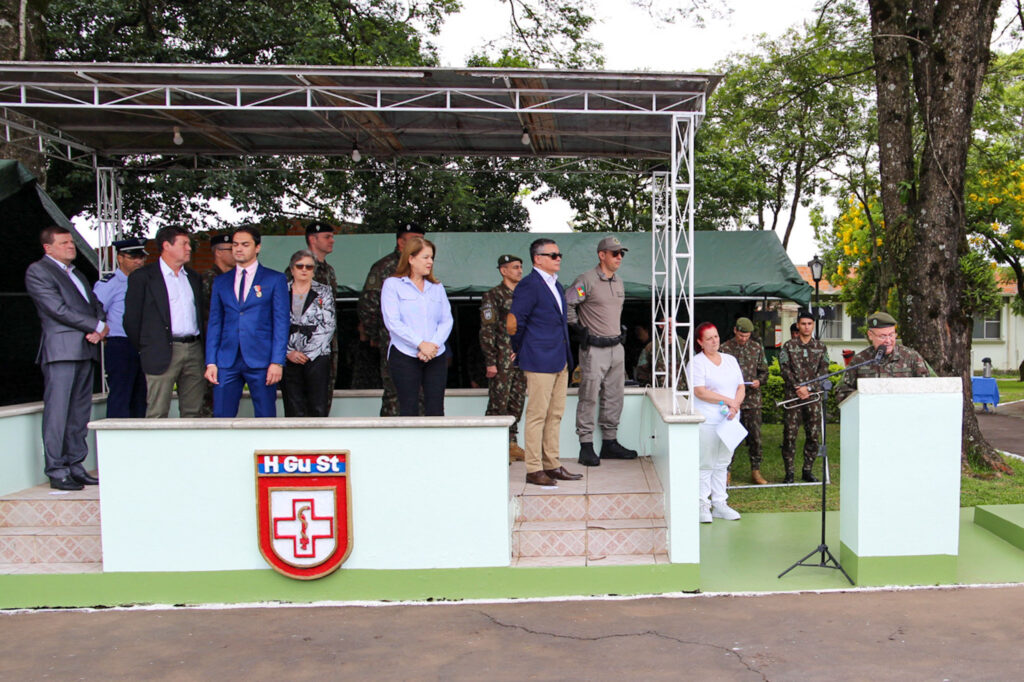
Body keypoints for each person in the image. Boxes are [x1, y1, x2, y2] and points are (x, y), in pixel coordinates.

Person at [25, 225, 108, 490]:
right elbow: (57, 309)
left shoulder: (77, 273)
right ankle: (57, 470)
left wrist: (100, 326)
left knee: (79, 412)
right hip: (61, 351)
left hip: (85, 348)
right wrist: (95, 326)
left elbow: (95, 305)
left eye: (71, 242)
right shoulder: (39, 271)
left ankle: (75, 465)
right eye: (64, 243)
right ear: (47, 248)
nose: (71, 246)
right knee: (58, 413)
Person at [507, 238, 582, 487]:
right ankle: (533, 468)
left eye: (559, 255)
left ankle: (552, 464)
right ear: (537, 259)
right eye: (553, 255)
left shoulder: (556, 285)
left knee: (555, 414)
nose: (558, 258)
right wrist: (519, 349)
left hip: (559, 358)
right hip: (539, 358)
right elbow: (515, 322)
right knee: (537, 415)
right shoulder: (529, 285)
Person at [565, 235, 637, 466]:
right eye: (615, 253)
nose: (619, 257)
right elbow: (568, 303)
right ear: (602, 255)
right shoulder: (586, 280)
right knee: (589, 396)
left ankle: (609, 442)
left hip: (616, 347)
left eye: (621, 253)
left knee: (615, 396)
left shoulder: (619, 282)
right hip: (594, 349)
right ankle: (586, 445)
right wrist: (577, 328)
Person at [204, 226, 289, 418]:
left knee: (265, 416)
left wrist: (277, 361)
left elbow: (281, 323)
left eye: (245, 244)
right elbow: (215, 323)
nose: (239, 249)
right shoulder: (221, 281)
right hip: (227, 359)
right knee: (222, 416)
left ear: (257, 247)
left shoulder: (274, 279)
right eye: (235, 245)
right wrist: (211, 361)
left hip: (261, 359)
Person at [123, 225, 206, 418]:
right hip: (160, 349)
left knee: (193, 411)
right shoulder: (143, 277)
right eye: (184, 244)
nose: (189, 248)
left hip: (194, 348)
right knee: (157, 411)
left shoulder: (193, 277)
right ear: (166, 246)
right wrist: (148, 346)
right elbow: (131, 320)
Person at [380, 236, 453, 416]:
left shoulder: (437, 287)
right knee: (408, 408)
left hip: (435, 354)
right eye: (425, 257)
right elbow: (392, 322)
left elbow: (446, 320)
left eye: (432, 257)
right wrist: (420, 344)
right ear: (411, 259)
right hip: (404, 353)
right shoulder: (393, 285)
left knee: (436, 408)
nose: (430, 262)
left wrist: (433, 345)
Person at [358, 224, 425, 416]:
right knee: (395, 390)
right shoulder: (384, 267)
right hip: (393, 339)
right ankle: (392, 432)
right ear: (401, 242)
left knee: (421, 391)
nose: (419, 244)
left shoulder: (424, 268)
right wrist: (376, 335)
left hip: (422, 341)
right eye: (414, 240)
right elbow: (368, 304)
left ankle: (419, 432)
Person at [686, 322, 744, 523]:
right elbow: (700, 392)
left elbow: (740, 387)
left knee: (723, 462)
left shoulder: (730, 360)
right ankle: (702, 504)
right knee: (706, 462)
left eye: (716, 336)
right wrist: (728, 401)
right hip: (708, 419)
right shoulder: (697, 363)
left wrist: (735, 405)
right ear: (700, 342)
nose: (714, 341)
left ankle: (720, 503)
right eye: (709, 338)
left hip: (730, 419)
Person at [93, 237, 148, 418]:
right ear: (120, 258)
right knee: (121, 395)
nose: (138, 261)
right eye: (133, 257)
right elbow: (95, 310)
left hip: (144, 344)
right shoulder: (110, 283)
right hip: (121, 344)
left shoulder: (146, 280)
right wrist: (102, 333)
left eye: (141, 257)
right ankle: (116, 433)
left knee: (141, 396)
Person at [480, 254, 527, 461]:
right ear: (503, 271)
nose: (520, 271)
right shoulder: (493, 295)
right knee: (498, 403)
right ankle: (492, 447)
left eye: (521, 267)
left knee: (517, 402)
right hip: (502, 358)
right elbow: (487, 330)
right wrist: (490, 361)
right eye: (515, 267)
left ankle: (512, 443)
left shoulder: (525, 295)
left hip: (522, 358)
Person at [281, 249, 337, 417]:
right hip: (288, 355)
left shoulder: (324, 291)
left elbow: (328, 325)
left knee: (317, 405)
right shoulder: (280, 291)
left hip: (317, 356)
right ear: (292, 269)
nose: (304, 270)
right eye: (300, 266)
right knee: (292, 405)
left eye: (309, 267)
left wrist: (308, 353)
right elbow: (273, 323)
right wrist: (289, 352)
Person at [835, 311, 933, 402]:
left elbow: (931, 386)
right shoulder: (860, 360)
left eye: (891, 335)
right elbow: (841, 391)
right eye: (882, 336)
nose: (888, 341)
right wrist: (864, 399)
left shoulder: (911, 357)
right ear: (870, 335)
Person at [779, 310, 830, 483]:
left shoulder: (821, 347)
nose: (806, 327)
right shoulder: (788, 346)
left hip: (813, 397)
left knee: (813, 435)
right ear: (798, 325)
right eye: (803, 324)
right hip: (793, 397)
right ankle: (789, 473)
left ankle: (807, 470)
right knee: (790, 435)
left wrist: (809, 388)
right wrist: (798, 387)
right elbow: (784, 369)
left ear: (813, 325)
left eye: (809, 324)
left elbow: (824, 371)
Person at [720, 317, 770, 484]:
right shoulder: (724, 349)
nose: (743, 339)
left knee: (755, 437)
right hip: (732, 400)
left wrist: (759, 381)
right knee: (730, 436)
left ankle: (756, 471)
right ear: (735, 331)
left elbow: (765, 372)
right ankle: (726, 471)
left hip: (752, 400)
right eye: (741, 335)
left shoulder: (756, 348)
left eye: (746, 336)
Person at [296, 221, 339, 411]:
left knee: (324, 395)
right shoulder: (301, 267)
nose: (332, 240)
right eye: (327, 237)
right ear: (313, 239)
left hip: (327, 342)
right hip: (306, 343)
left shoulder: (328, 270)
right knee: (304, 399)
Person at [198, 233, 235, 417]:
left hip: (232, 346)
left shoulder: (237, 278)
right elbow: (208, 315)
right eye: (230, 249)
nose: (236, 252)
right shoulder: (209, 279)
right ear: (218, 252)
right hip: (214, 346)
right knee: (211, 397)